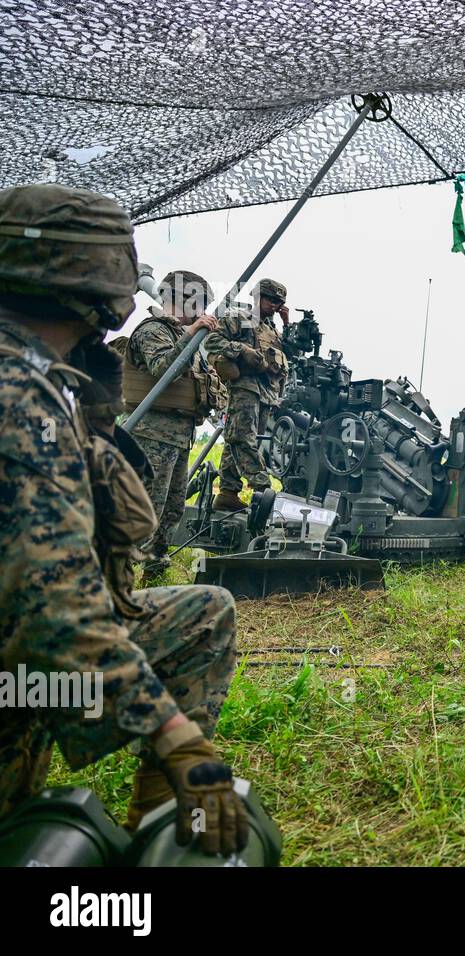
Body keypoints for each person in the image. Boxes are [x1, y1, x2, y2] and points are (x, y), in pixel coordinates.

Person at [0, 183, 247, 853]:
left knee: (201, 614)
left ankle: (160, 835)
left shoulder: (50, 374)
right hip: (22, 664)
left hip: (22, 656)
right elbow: (56, 612)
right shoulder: (20, 398)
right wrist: (178, 738)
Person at [124, 269, 225, 576]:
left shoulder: (186, 337)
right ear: (181, 299)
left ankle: (154, 570)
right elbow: (161, 367)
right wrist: (193, 333)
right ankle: (116, 575)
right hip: (151, 435)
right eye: (198, 303)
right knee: (145, 511)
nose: (202, 311)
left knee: (172, 510)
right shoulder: (152, 330)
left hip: (179, 437)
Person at [205, 278, 289, 512]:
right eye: (271, 300)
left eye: (279, 302)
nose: (275, 305)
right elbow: (211, 339)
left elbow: (288, 355)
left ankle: (227, 493)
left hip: (266, 393)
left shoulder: (272, 329)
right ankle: (263, 488)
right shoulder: (239, 318)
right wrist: (241, 350)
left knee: (238, 441)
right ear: (258, 297)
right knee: (242, 438)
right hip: (244, 386)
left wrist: (287, 323)